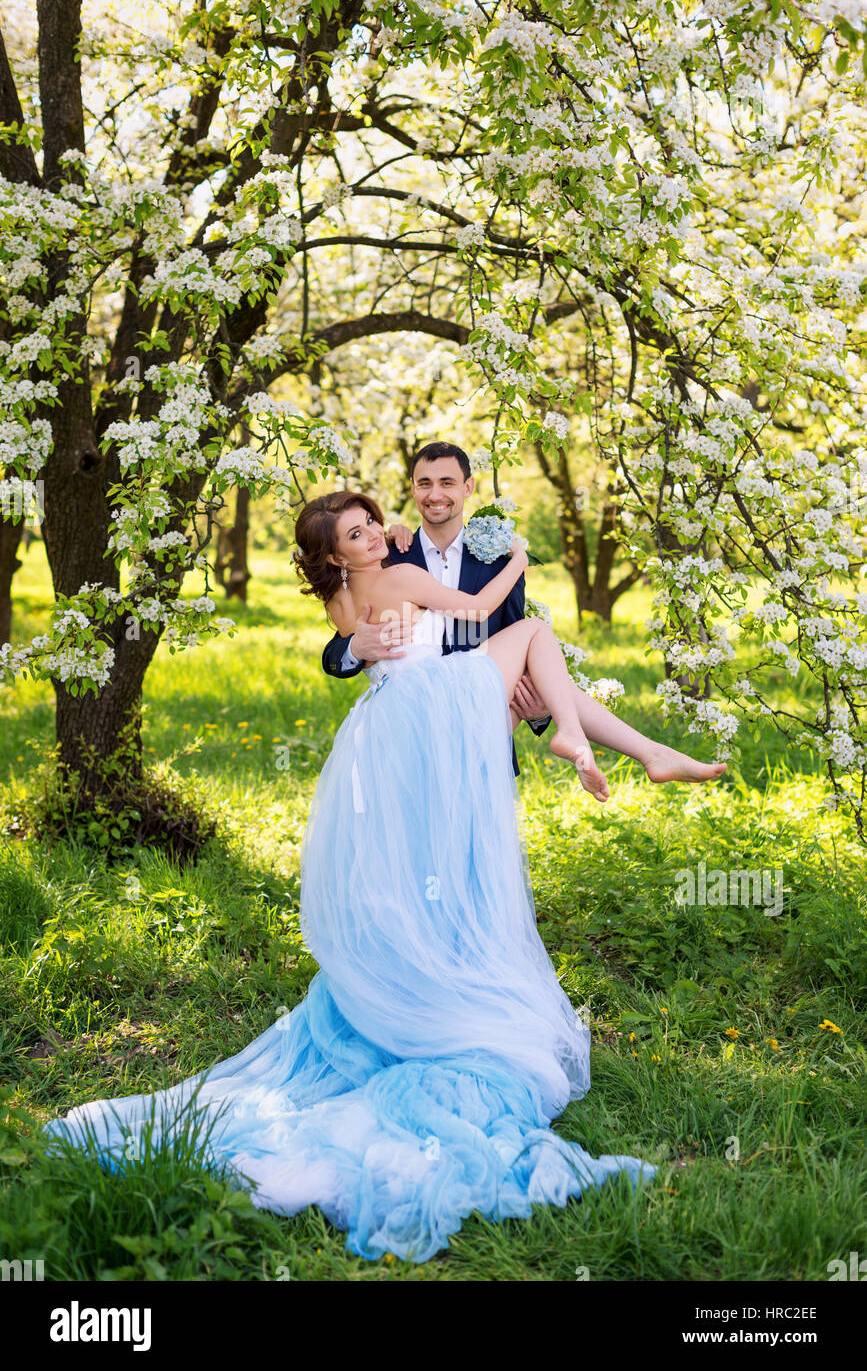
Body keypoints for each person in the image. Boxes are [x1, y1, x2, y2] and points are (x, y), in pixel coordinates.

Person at [43, 490, 726, 1265]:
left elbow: (362, 612)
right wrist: (518, 563)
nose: (377, 533)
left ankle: (636, 749)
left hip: (397, 720)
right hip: (438, 703)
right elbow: (474, 606)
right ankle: (571, 735)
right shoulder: (397, 578)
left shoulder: (347, 590)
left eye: (374, 524)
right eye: (356, 532)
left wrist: (381, 545)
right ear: (336, 553)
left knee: (515, 699)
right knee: (532, 628)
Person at [322, 441, 553, 775]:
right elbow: (336, 648)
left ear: (468, 487)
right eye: (424, 483)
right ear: (413, 489)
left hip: (480, 739)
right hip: (406, 738)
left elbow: (514, 638)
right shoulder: (387, 556)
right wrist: (355, 647)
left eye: (447, 482)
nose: (435, 494)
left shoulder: (499, 565)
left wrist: (539, 713)